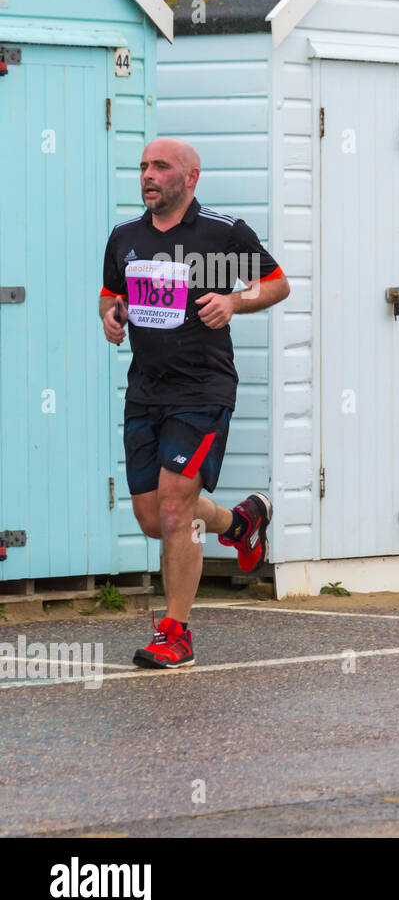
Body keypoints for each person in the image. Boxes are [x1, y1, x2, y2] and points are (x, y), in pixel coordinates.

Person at [101, 137, 289, 668]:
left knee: (174, 505)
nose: (148, 176)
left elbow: (276, 285)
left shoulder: (223, 232)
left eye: (160, 167)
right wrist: (111, 317)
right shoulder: (125, 236)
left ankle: (176, 632)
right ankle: (239, 523)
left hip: (203, 390)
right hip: (145, 392)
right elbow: (109, 295)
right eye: (143, 168)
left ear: (191, 177)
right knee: (153, 518)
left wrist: (233, 300)